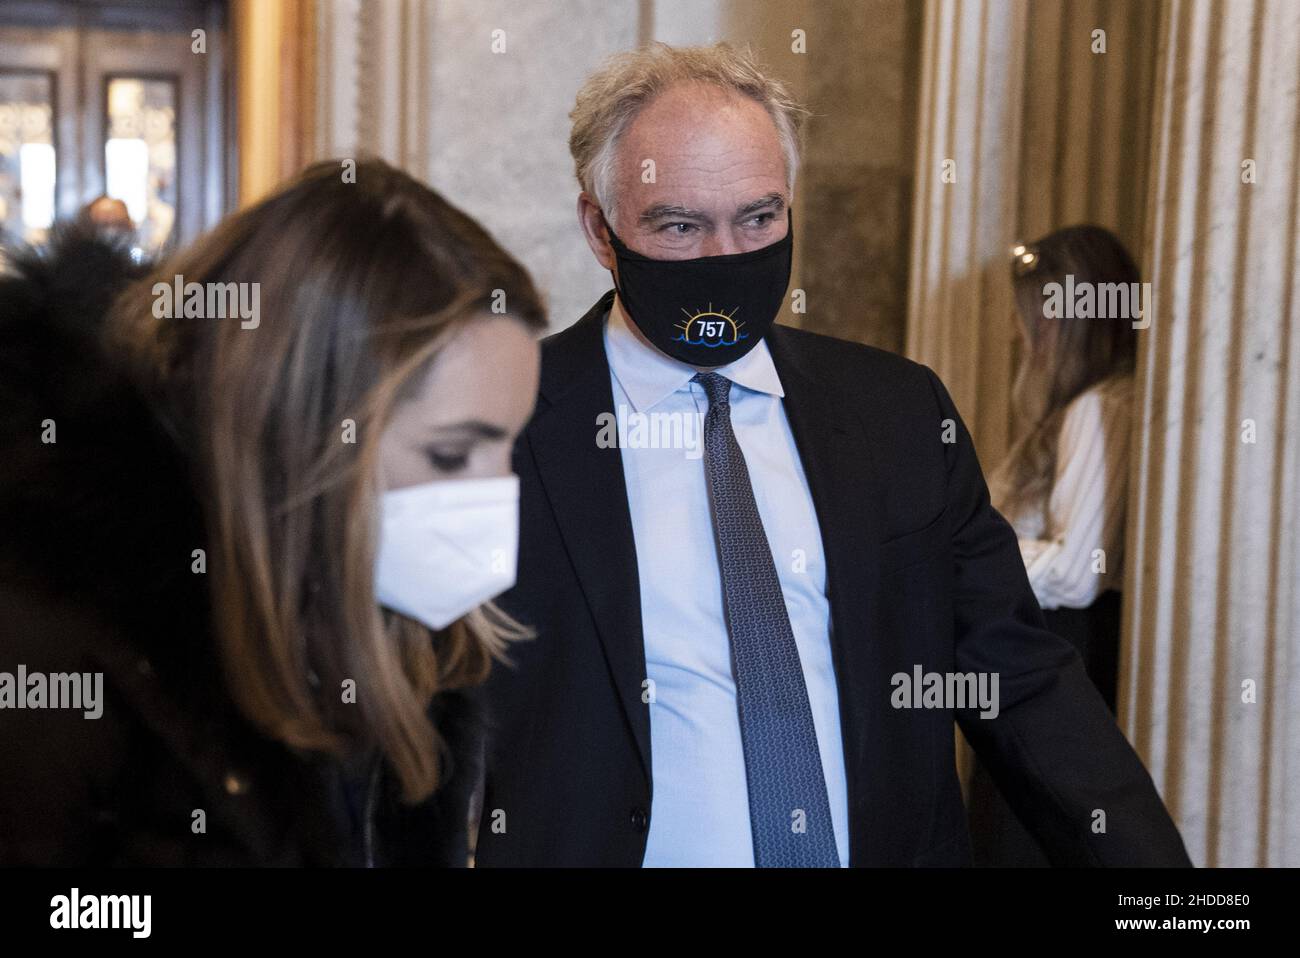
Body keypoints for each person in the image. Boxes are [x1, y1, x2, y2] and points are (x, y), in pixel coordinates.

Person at [473, 42, 1190, 867]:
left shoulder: (899, 414)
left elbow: (1023, 683)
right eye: (679, 225)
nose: (725, 258)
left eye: (759, 218)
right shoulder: (505, 426)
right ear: (600, 229)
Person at [0, 159, 544, 865]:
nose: (494, 499)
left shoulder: (406, 644)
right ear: (304, 429)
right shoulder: (49, 645)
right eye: (449, 456)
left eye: (508, 445)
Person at [967, 225, 1141, 866]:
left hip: (1066, 649)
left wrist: (965, 565)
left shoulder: (1102, 410)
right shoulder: (1081, 410)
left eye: (1036, 319)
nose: (1023, 335)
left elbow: (1078, 569)